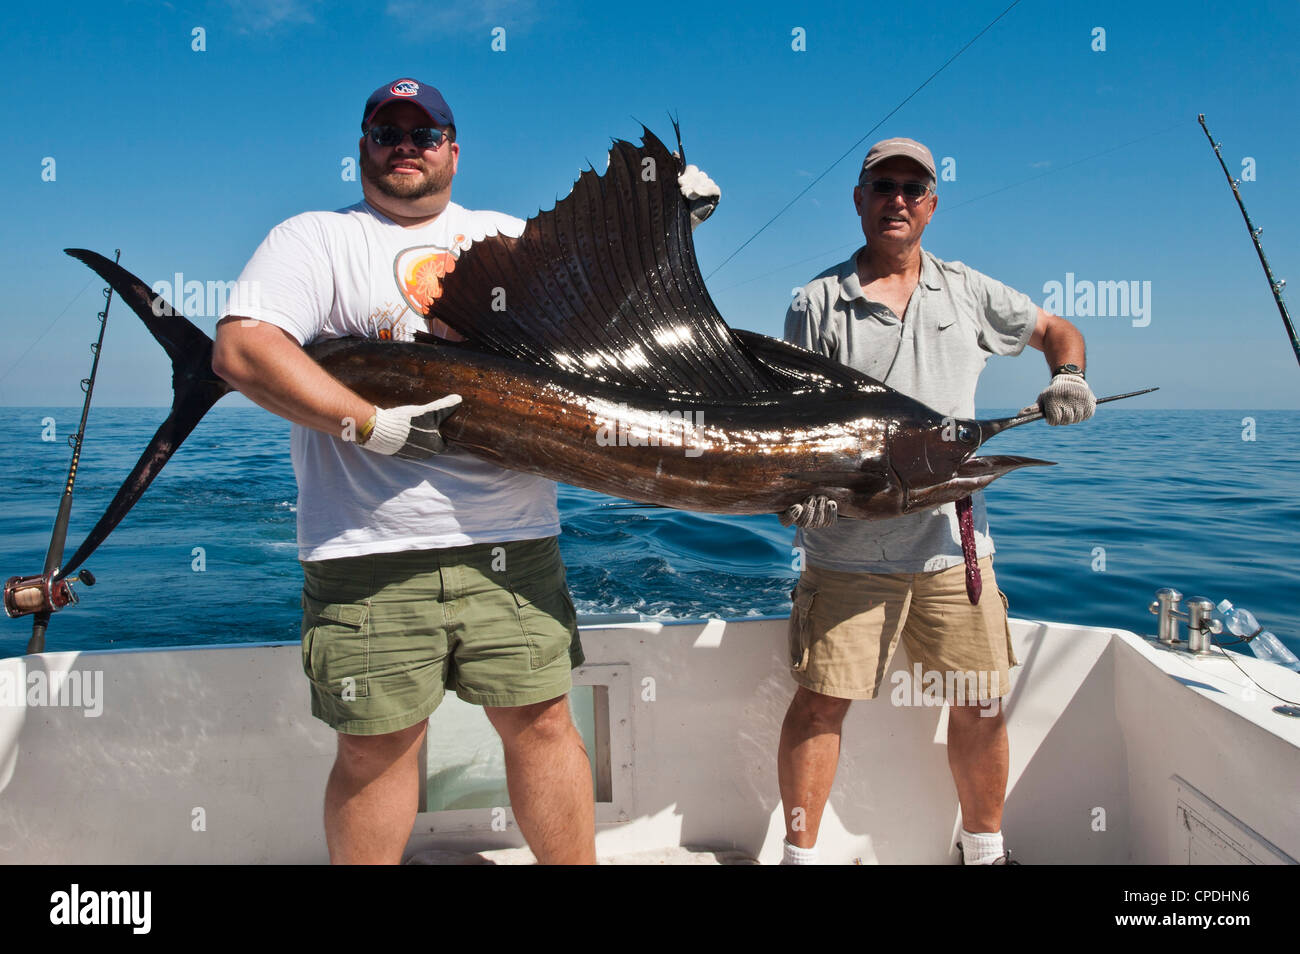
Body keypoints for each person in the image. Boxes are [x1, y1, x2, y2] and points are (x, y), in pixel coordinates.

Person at [212, 78, 718, 865]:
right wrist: (370, 425)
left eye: (424, 133)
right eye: (388, 132)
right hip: (366, 552)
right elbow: (244, 349)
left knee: (545, 725)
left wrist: (661, 221)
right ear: (363, 148)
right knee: (375, 750)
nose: (405, 145)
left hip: (514, 543)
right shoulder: (312, 238)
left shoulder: (508, 236)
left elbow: (610, 310)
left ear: (453, 149)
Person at [776, 137, 1095, 866]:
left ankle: (983, 852)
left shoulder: (969, 291)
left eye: (912, 189)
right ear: (859, 200)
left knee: (981, 700)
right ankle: (798, 857)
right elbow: (792, 422)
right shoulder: (816, 302)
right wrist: (803, 492)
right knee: (821, 704)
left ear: (932, 204)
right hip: (846, 552)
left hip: (955, 553)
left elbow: (1054, 331)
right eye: (882, 186)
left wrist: (1069, 375)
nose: (897, 199)